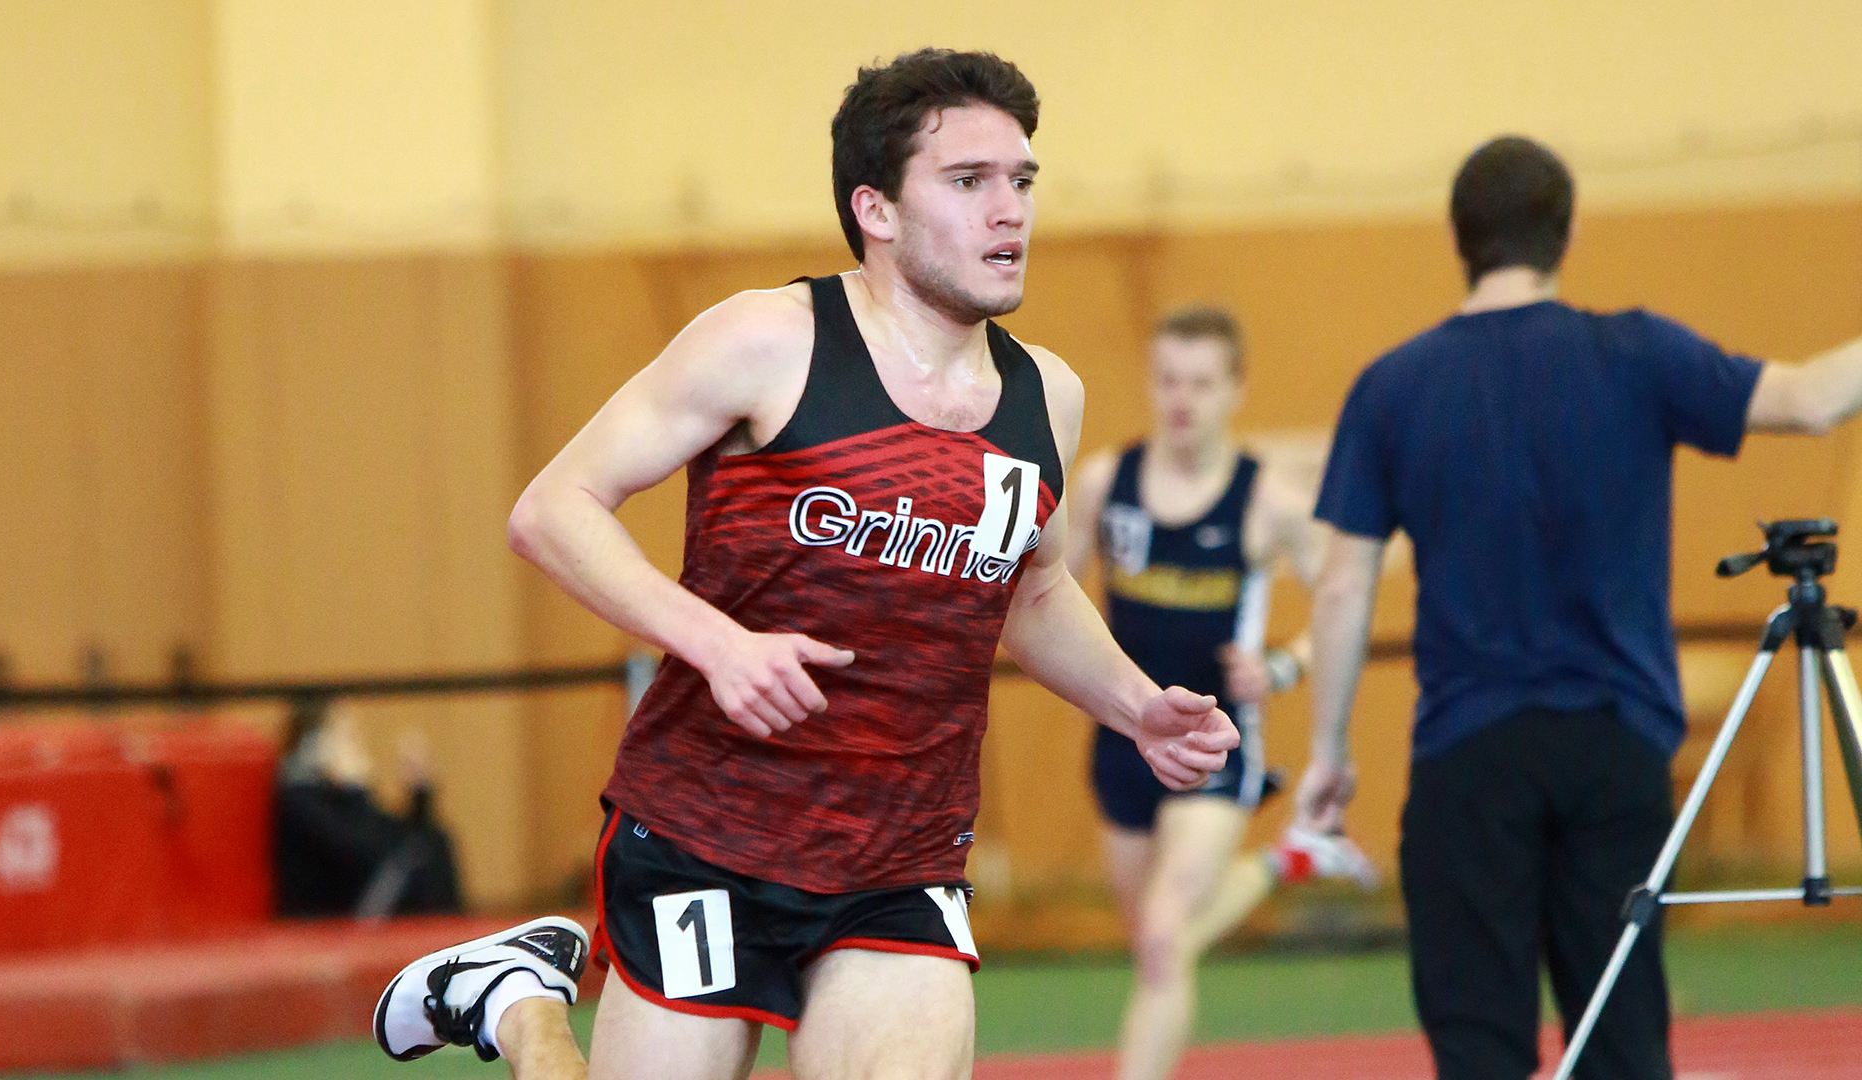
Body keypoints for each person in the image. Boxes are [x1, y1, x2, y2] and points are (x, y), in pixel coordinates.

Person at [372, 48, 1237, 1080]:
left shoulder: (1044, 395)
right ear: (875, 209)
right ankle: (520, 1005)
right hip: (709, 832)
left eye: (1022, 181)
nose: (1010, 212)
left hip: (900, 858)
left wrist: (1138, 707)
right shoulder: (768, 342)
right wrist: (716, 644)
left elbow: (1034, 587)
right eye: (968, 183)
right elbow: (553, 509)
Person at [1298, 134, 1862, 1080]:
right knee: (1623, 1037)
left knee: (1478, 1046)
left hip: (1468, 757)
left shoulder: (1394, 385)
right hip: (1619, 751)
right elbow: (1810, 400)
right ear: (1565, 233)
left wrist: (1329, 750)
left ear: (1458, 236)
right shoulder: (1636, 353)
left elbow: (1345, 582)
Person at [1067, 306, 1377, 1080]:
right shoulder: (1108, 482)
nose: (1182, 399)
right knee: (1152, 943)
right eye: (1169, 380)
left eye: (1201, 383)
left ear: (1235, 389)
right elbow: (1050, 590)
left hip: (1215, 741)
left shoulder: (1267, 502)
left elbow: (1347, 600)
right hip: (1121, 738)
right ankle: (1288, 859)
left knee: (1168, 940)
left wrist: (1283, 667)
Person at [274, 701, 461, 919]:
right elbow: (366, 849)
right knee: (427, 853)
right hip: (331, 917)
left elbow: (390, 832)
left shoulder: (331, 795)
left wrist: (420, 797)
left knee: (435, 839)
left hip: (357, 896)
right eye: (347, 738)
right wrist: (355, 788)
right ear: (315, 746)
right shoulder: (297, 799)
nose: (355, 747)